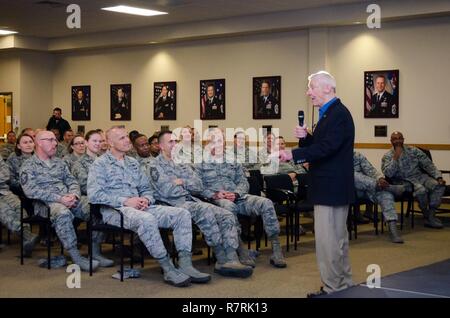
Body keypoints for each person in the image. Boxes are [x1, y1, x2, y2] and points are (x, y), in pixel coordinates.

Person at [87, 126, 209, 286]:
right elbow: (94, 195)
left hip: (140, 206)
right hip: (115, 210)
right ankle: (168, 268)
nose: (127, 140)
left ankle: (185, 264)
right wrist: (125, 201)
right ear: (110, 142)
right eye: (122, 138)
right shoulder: (99, 164)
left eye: (126, 137)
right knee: (146, 219)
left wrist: (146, 199)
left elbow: (147, 189)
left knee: (182, 214)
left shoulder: (132, 163)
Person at [147, 130, 253, 278]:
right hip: (171, 205)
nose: (175, 145)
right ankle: (221, 258)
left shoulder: (182, 163)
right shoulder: (154, 165)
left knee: (226, 215)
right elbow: (168, 191)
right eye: (170, 142)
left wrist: (182, 181)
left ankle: (232, 257)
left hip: (191, 201)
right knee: (205, 210)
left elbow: (198, 185)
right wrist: (184, 184)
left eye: (176, 141)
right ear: (160, 146)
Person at [292, 71, 355, 296]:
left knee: (329, 242)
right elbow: (323, 144)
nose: (308, 92)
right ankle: (343, 285)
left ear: (327, 88)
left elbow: (328, 148)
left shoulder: (337, 114)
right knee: (338, 240)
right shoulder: (330, 114)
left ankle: (332, 288)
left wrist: (294, 154)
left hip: (330, 188)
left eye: (311, 87)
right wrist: (306, 136)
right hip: (333, 187)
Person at [197, 128, 286, 268]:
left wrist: (237, 193)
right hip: (217, 201)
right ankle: (241, 249)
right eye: (215, 140)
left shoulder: (232, 159)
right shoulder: (200, 161)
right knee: (228, 207)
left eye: (222, 140)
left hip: (238, 197)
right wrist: (214, 194)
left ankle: (276, 250)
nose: (219, 144)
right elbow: (197, 186)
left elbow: (243, 181)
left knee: (266, 203)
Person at [20, 130, 108, 271]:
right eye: (51, 140)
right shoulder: (28, 165)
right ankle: (76, 257)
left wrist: (74, 195)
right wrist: (60, 199)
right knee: (62, 213)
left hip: (68, 199)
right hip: (45, 204)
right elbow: (31, 191)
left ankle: (95, 251)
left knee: (97, 206)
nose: (55, 143)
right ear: (39, 143)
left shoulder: (59, 163)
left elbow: (72, 181)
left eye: (55, 140)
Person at [382, 131, 446, 229]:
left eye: (400, 138)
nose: (398, 140)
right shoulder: (387, 156)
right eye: (395, 139)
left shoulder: (413, 150)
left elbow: (428, 165)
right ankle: (426, 214)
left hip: (420, 176)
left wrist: (438, 177)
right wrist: (395, 157)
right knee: (421, 191)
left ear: (403, 140)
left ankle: (431, 216)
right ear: (391, 141)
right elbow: (388, 173)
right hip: (404, 181)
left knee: (438, 185)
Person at [353, 151, 404, 243]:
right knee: (351, 174)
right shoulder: (337, 157)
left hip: (368, 188)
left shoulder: (356, 155)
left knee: (385, 195)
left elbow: (370, 170)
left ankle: (393, 229)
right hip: (351, 191)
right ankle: (386, 187)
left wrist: (380, 178)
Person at [1, 155, 39, 256]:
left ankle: (27, 239)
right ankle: (27, 236)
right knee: (5, 212)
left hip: (4, 191)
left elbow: (6, 175)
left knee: (19, 208)